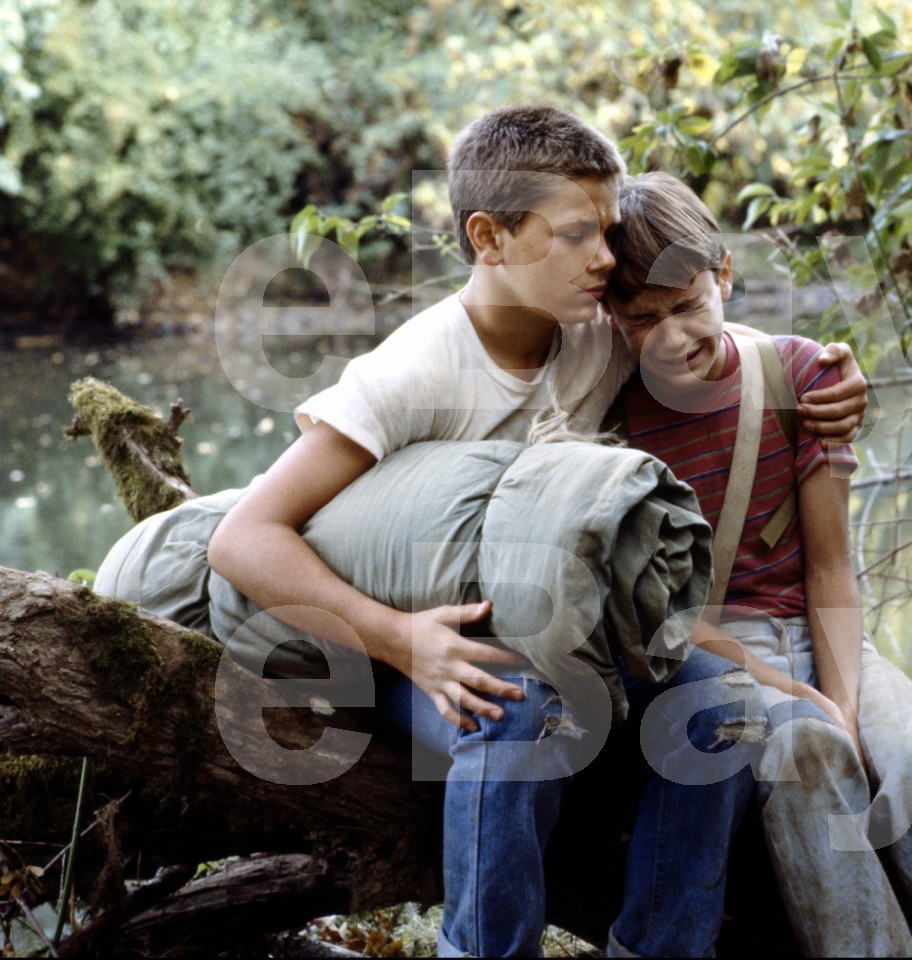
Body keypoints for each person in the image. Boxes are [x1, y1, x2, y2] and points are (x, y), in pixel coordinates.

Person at [207, 106, 869, 957]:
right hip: (403, 647)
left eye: (607, 229)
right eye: (577, 235)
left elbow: (706, 331)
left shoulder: (596, 334)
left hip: (554, 626)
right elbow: (245, 537)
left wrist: (831, 377)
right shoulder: (414, 372)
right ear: (489, 237)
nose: (606, 257)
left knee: (721, 705)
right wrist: (403, 639)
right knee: (524, 714)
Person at [603, 172, 912, 958]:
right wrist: (803, 701)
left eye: (688, 304)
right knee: (808, 751)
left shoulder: (801, 378)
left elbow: (831, 571)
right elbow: (670, 617)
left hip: (826, 630)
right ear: (609, 317)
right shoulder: (612, 427)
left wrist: (843, 697)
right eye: (642, 319)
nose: (671, 337)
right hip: (715, 652)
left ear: (723, 274)